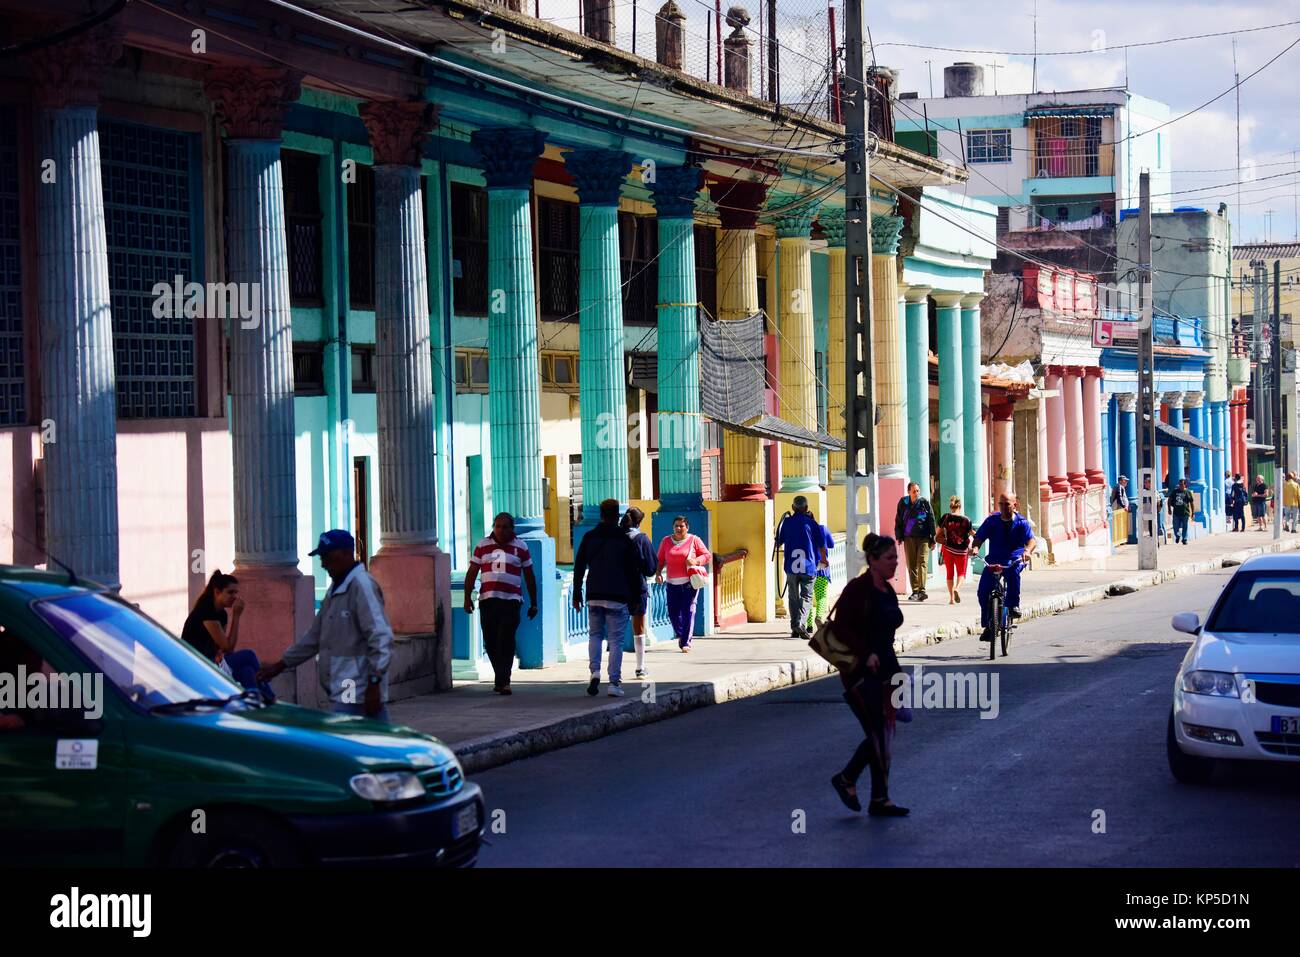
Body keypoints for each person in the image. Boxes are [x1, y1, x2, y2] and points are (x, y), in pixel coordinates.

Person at [257, 529, 394, 720]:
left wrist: (374, 684)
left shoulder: (361, 585)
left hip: (356, 688)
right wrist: (280, 665)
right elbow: (315, 636)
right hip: (344, 687)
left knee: (347, 739)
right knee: (372, 742)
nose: (323, 564)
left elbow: (381, 637)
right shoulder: (336, 589)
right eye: (321, 558)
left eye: (328, 557)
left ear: (346, 553)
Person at [828, 533, 909, 817]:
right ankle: (851, 781)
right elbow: (841, 629)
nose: (895, 563)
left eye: (896, 557)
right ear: (872, 560)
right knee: (877, 734)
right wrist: (866, 653)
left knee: (883, 734)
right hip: (860, 674)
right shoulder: (858, 589)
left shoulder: (886, 590)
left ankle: (877, 797)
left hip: (886, 670)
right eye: (889, 558)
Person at [572, 499, 654, 697]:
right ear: (617, 515)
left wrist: (576, 593)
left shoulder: (589, 537)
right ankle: (614, 683)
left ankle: (595, 672)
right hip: (618, 595)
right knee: (615, 640)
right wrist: (635, 596)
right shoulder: (624, 539)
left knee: (595, 635)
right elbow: (635, 570)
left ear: (600, 514)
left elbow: (579, 566)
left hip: (593, 593)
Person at [464, 512, 539, 695]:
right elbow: (472, 571)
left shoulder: (520, 547)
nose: (500, 530)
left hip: (511, 601)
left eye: (505, 527)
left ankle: (504, 681)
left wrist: (534, 602)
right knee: (490, 641)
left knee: (505, 638)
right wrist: (467, 597)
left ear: (512, 529)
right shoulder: (483, 545)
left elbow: (529, 576)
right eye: (497, 526)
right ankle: (501, 677)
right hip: (488, 600)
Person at [970, 493, 1037, 642]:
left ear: (1015, 505)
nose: (1003, 507)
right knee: (983, 591)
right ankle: (989, 625)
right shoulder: (992, 521)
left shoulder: (1021, 522)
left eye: (1007, 504)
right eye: (1001, 504)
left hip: (1014, 558)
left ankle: (1013, 605)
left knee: (1013, 572)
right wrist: (975, 548)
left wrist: (1027, 551)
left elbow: (1031, 540)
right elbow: (979, 537)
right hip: (994, 559)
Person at [655, 515, 711, 654]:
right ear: (673, 528)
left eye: (682, 526)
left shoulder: (694, 540)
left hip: (689, 582)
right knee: (673, 612)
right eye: (676, 526)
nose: (679, 528)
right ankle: (681, 634)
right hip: (671, 583)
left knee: (688, 611)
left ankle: (686, 642)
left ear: (687, 527)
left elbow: (707, 556)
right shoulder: (666, 541)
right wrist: (658, 573)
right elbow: (660, 559)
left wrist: (696, 561)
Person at [777, 495, 828, 640]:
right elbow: (821, 544)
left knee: (793, 597)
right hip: (808, 566)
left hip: (791, 567)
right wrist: (824, 559)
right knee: (806, 596)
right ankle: (800, 623)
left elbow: (778, 542)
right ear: (806, 509)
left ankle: (795, 627)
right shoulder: (812, 523)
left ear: (793, 508)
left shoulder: (786, 522)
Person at [620, 507, 659, 677]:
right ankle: (640, 667)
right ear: (639, 522)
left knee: (615, 630)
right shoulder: (642, 539)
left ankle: (613, 671)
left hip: (616, 587)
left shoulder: (615, 538)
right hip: (636, 587)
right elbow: (651, 568)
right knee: (639, 628)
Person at [894, 481, 936, 602]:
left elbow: (931, 519)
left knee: (922, 563)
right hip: (908, 538)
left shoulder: (924, 503)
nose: (916, 493)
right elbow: (898, 520)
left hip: (923, 537)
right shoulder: (903, 503)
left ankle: (922, 591)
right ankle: (915, 591)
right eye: (914, 491)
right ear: (908, 492)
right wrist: (899, 537)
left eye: (918, 491)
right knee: (911, 565)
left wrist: (933, 538)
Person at [936, 495, 972, 605]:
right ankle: (957, 588)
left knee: (949, 573)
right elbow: (972, 533)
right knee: (961, 573)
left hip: (948, 549)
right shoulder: (966, 520)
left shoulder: (946, 517)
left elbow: (937, 532)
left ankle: (951, 598)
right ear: (960, 506)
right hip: (961, 551)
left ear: (951, 506)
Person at [807, 523, 835, 631]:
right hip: (822, 569)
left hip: (808, 568)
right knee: (822, 596)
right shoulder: (823, 529)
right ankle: (818, 617)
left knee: (807, 598)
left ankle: (808, 626)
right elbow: (831, 544)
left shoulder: (804, 530)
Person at [1168, 478, 1194, 545]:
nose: (1180, 486)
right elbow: (1169, 500)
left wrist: (1192, 513)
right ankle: (1178, 535)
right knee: (1176, 527)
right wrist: (1169, 509)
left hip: (1185, 513)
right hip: (1176, 513)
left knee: (1185, 527)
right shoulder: (1175, 492)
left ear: (1185, 485)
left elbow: (1191, 503)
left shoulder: (1188, 492)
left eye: (1182, 484)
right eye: (1179, 484)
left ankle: (1184, 539)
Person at [1141, 475, 1166, 542]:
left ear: (1150, 483)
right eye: (1144, 482)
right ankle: (1153, 539)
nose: (1144, 484)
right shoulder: (1144, 491)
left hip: (1152, 512)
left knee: (1153, 527)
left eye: (1146, 482)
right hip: (1147, 512)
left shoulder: (1154, 491)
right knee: (1150, 527)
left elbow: (1159, 501)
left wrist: (1157, 509)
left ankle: (1155, 540)